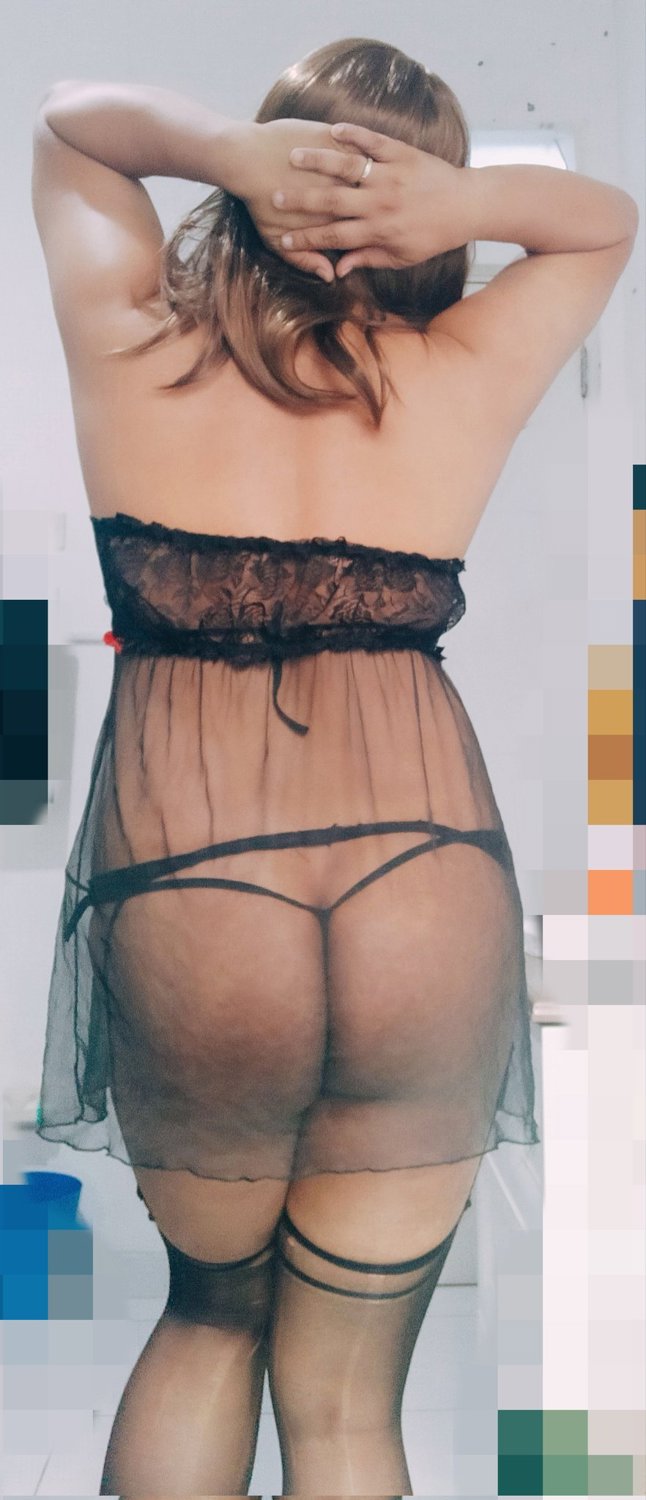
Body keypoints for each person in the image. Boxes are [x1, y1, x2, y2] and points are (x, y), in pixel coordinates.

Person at [31, 37, 637, 1498]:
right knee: (353, 1401)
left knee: (209, 1320)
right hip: (425, 879)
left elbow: (68, 124)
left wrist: (227, 158)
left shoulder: (135, 339)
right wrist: (461, 205)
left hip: (197, 885)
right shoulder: (460, 366)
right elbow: (605, 219)